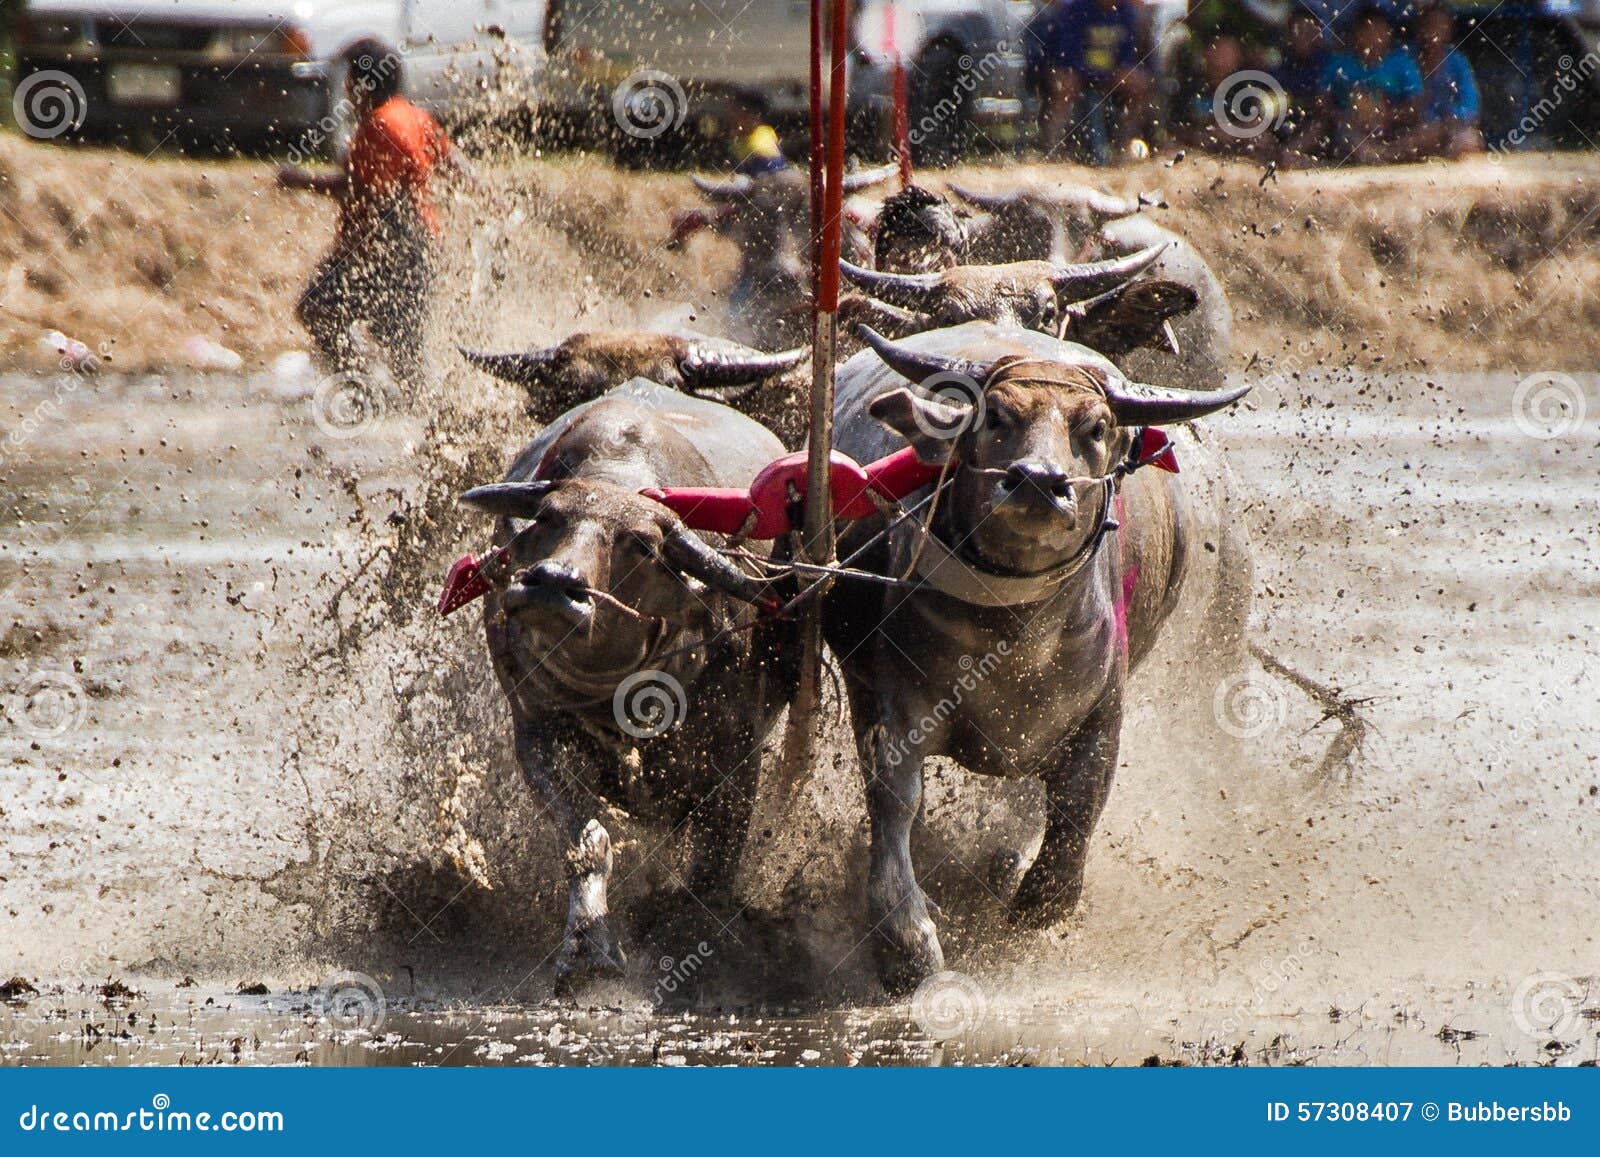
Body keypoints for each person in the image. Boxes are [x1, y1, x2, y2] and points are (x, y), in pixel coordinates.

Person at [278, 40, 468, 390]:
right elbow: (456, 162)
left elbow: (359, 190)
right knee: (401, 346)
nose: (346, 89)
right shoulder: (412, 115)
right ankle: (405, 401)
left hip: (394, 250)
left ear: (361, 82)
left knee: (319, 308)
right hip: (419, 245)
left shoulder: (380, 126)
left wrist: (299, 179)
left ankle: (361, 386)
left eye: (349, 78)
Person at [1029, 0, 1154, 162]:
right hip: (1076, 71)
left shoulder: (1125, 11)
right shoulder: (1075, 9)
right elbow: (1066, 56)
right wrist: (1096, 73)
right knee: (1065, 84)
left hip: (1109, 73)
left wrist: (1115, 73)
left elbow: (1127, 56)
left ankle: (1124, 145)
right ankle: (1052, 147)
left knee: (1139, 84)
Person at [1319, 3, 1422, 163]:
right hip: (1351, 128)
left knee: (1427, 130)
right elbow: (1321, 101)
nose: (1373, 36)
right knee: (1337, 131)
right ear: (1356, 34)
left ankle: (1389, 153)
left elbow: (1416, 104)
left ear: (1388, 33)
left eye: (1378, 30)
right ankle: (1369, 154)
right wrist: (1344, 117)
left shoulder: (1403, 64)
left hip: (1393, 128)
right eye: (1366, 31)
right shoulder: (1340, 64)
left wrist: (1390, 116)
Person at [1408, 3, 1484, 157]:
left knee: (1469, 141)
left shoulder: (1458, 62)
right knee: (1419, 138)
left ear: (1449, 30)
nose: (1434, 31)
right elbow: (1403, 100)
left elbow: (1471, 105)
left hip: (1451, 130)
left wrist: (1445, 123)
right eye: (1429, 25)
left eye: (1440, 25)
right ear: (1420, 28)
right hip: (1414, 129)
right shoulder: (1407, 60)